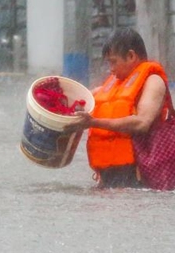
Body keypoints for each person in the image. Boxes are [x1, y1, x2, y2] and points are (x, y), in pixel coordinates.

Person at [68, 28, 168, 188]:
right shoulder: (113, 84)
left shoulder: (153, 81)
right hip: (109, 176)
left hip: (139, 179)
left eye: (113, 61)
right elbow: (80, 101)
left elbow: (142, 123)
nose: (110, 68)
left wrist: (94, 123)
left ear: (131, 56)